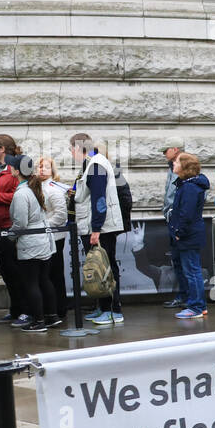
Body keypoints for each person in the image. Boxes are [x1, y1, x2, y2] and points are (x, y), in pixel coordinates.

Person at [69, 133, 125, 325]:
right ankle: (103, 307)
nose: (71, 154)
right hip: (99, 225)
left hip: (102, 227)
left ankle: (113, 310)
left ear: (78, 148)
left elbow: (99, 199)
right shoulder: (92, 163)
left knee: (105, 267)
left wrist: (96, 229)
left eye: (71, 150)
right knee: (100, 266)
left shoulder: (96, 165)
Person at [8, 152, 54, 333]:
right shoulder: (33, 187)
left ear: (17, 171)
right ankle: (51, 316)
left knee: (31, 283)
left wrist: (10, 237)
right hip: (42, 240)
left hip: (31, 242)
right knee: (44, 279)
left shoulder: (22, 193)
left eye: (12, 166)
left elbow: (20, 223)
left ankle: (39, 321)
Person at [0, 133, 26, 325]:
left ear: (2, 149)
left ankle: (25, 310)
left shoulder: (15, 169)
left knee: (16, 270)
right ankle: (15, 308)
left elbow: (21, 194)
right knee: (4, 271)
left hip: (8, 225)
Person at [169, 152, 210, 320]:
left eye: (177, 161)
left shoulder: (190, 188)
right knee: (191, 271)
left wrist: (179, 232)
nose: (173, 164)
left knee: (192, 272)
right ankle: (198, 305)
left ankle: (196, 306)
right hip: (189, 234)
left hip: (189, 235)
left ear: (184, 166)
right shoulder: (187, 185)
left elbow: (187, 214)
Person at [38, 156, 69, 325]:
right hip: (42, 236)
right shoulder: (35, 186)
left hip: (55, 236)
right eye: (39, 167)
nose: (42, 170)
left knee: (55, 273)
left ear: (52, 171)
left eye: (46, 167)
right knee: (45, 274)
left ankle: (60, 308)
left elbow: (60, 215)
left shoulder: (54, 188)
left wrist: (42, 226)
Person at [160, 139, 186, 309]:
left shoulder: (184, 169)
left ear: (175, 150)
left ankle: (190, 299)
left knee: (185, 263)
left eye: (166, 150)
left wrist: (173, 217)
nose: (164, 154)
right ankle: (184, 296)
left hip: (179, 222)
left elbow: (182, 198)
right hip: (173, 220)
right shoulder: (172, 168)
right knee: (177, 261)